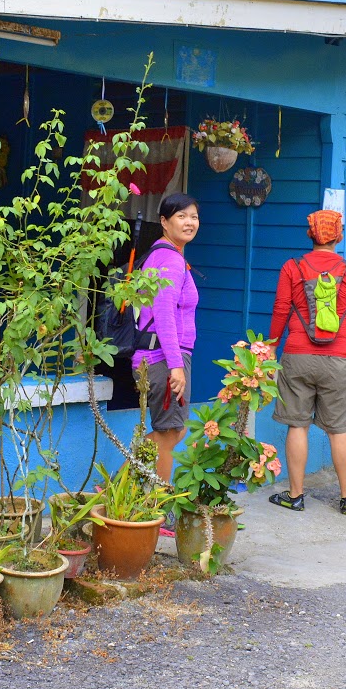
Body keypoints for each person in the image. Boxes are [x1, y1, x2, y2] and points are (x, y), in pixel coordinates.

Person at [267, 208, 346, 515]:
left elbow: (280, 309)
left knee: (298, 425)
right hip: (337, 359)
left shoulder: (292, 267)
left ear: (310, 234)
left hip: (297, 356)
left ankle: (295, 496)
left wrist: (271, 349)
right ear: (339, 236)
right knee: (338, 430)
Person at [132, 193, 200, 502]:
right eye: (181, 216)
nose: (189, 222)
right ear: (164, 221)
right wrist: (176, 365)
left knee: (172, 430)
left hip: (159, 355)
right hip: (162, 357)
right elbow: (164, 315)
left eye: (194, 217)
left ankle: (120, 486)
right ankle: (156, 506)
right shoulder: (170, 260)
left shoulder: (165, 255)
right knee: (170, 431)